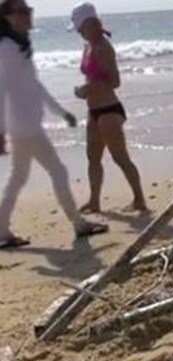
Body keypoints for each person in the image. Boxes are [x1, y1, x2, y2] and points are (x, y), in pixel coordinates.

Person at [0, 0, 107, 249]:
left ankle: (2, 231)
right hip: (25, 127)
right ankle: (78, 224)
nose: (28, 14)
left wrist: (60, 112)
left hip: (25, 126)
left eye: (29, 10)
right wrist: (0, 131)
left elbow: (35, 87)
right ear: (8, 18)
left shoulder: (18, 46)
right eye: (22, 11)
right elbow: (1, 90)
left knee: (18, 178)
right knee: (57, 171)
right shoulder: (7, 49)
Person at [71, 2, 147, 214]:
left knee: (120, 157)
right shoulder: (88, 46)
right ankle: (94, 201)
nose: (78, 33)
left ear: (89, 24)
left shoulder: (103, 47)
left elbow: (114, 81)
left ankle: (139, 199)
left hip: (109, 109)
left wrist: (87, 89)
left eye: (80, 28)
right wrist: (86, 90)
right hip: (94, 110)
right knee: (93, 158)